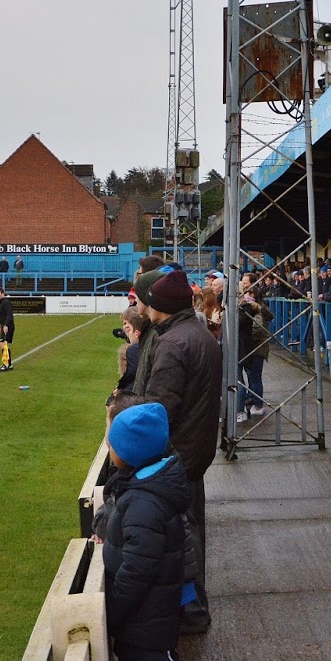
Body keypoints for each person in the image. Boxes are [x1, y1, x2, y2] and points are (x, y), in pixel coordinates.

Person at [131, 265, 220, 635]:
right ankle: (191, 607)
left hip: (179, 456)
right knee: (189, 531)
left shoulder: (174, 343)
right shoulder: (194, 334)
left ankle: (192, 611)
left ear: (158, 304)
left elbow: (158, 410)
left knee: (181, 538)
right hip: (193, 451)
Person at [101, 401, 190, 661]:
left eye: (113, 443)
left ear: (129, 453)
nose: (109, 448)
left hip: (143, 625)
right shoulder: (145, 489)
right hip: (149, 621)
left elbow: (136, 571)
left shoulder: (143, 504)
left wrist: (112, 611)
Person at [236, 290, 272, 421]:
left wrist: (244, 339)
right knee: (252, 377)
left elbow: (257, 329)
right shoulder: (254, 308)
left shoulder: (253, 309)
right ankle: (253, 402)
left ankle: (257, 405)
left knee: (254, 377)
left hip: (256, 348)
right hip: (252, 348)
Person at [0, 286, 15, 371]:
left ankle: (6, 364)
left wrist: (5, 325)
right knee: (3, 344)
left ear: (3, 293)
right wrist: (1, 326)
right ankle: (8, 364)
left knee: (3, 344)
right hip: (4, 326)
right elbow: (3, 316)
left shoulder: (6, 302)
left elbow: (9, 315)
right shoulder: (1, 303)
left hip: (8, 326)